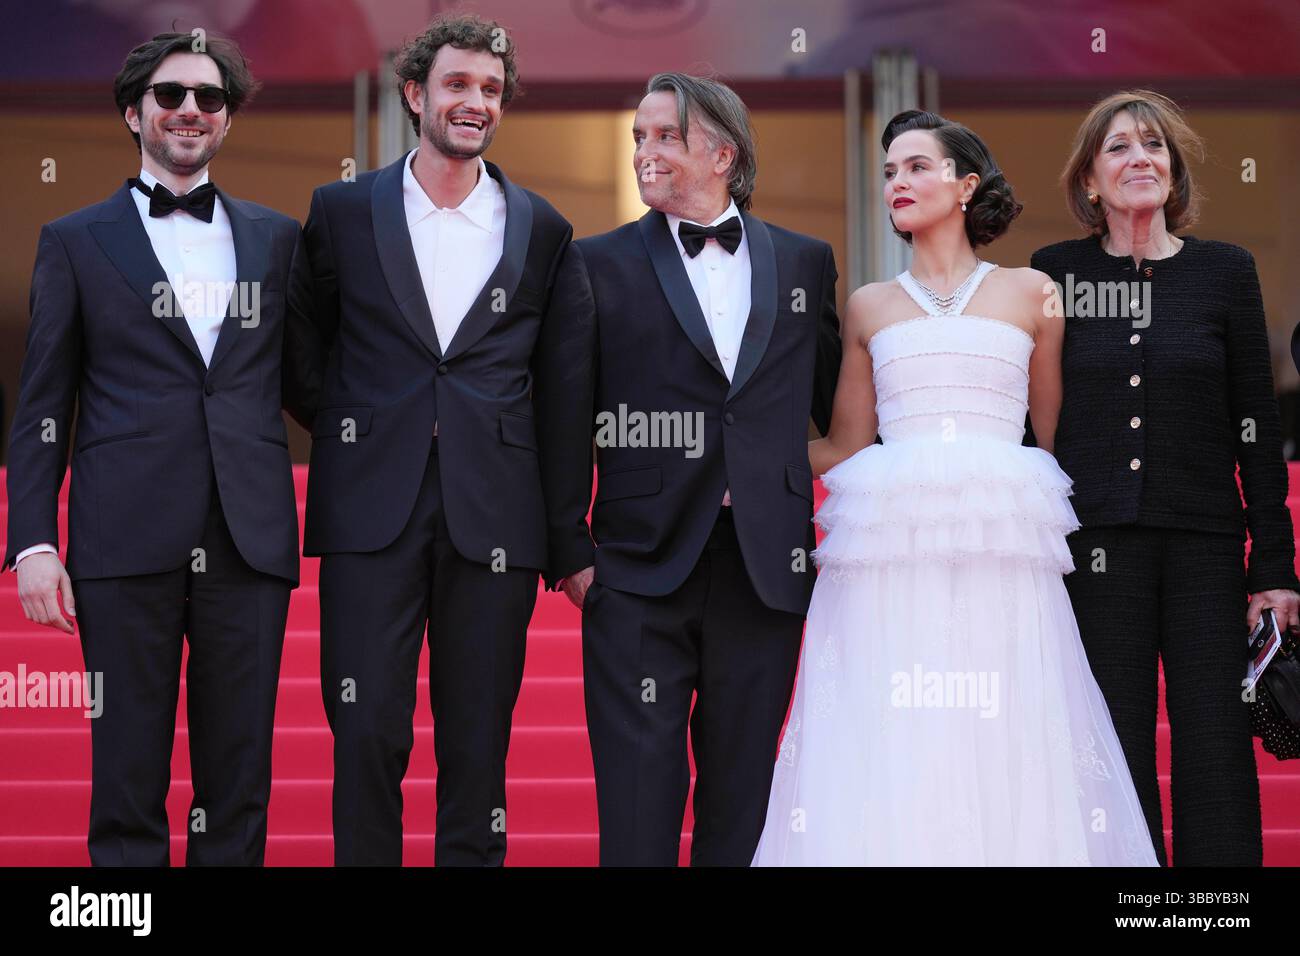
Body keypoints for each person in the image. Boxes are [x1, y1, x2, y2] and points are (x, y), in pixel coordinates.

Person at [752, 109, 1158, 866]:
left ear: (966, 185)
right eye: (888, 172)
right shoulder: (870, 304)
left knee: (1009, 725)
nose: (896, 183)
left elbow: (1054, 433)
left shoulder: (1034, 292)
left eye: (915, 167)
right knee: (890, 730)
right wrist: (746, 454)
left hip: (1001, 553)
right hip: (888, 560)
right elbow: (844, 445)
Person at [4, 32, 317, 865]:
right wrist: (34, 539)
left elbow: (314, 387)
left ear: (226, 121)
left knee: (240, 776)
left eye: (209, 99)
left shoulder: (278, 240)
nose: (189, 111)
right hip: (122, 538)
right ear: (132, 113)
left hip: (248, 538)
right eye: (171, 95)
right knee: (127, 775)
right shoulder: (74, 239)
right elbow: (42, 405)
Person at [538, 72, 842, 866]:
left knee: (741, 801)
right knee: (638, 805)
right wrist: (570, 552)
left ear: (722, 153)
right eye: (638, 138)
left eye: (664, 137)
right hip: (636, 569)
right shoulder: (592, 264)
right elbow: (564, 412)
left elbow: (838, 411)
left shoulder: (807, 263)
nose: (645, 152)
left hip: (764, 567)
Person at [298, 14, 573, 866]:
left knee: (478, 744)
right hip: (369, 514)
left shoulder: (543, 227)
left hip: (495, 519)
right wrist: (363, 437)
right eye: (458, 84)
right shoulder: (342, 211)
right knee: (367, 730)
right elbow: (302, 353)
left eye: (491, 89)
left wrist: (567, 535)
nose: (475, 102)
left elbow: (560, 393)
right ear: (416, 93)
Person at [1032, 90, 1300, 866]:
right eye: (1118, 147)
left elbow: (1257, 425)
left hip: (1207, 546)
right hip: (1098, 547)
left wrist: (1275, 567)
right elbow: (1034, 419)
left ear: (1174, 170)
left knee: (1215, 738)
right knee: (1111, 739)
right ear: (1090, 180)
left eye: (1154, 145)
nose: (1140, 158)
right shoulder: (1056, 272)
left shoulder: (1225, 272)